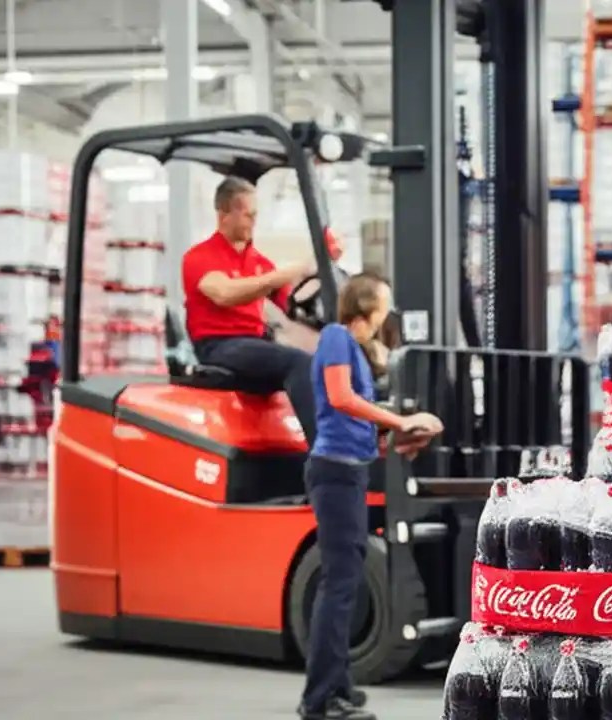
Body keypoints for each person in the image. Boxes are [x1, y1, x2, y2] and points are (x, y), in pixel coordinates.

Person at [298, 272, 443, 720]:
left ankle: (338, 684)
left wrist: (398, 437)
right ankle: (320, 698)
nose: (389, 307)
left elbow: (353, 418)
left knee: (346, 580)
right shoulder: (336, 338)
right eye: (385, 299)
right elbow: (340, 399)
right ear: (369, 304)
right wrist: (399, 422)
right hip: (335, 472)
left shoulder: (356, 350)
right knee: (339, 585)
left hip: (350, 470)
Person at [182, 176, 318, 443]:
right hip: (219, 347)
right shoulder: (199, 258)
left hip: (254, 344)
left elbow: (293, 305)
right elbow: (225, 293)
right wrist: (284, 274)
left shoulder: (260, 262)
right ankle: (326, 456)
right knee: (298, 362)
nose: (254, 222)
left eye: (256, 215)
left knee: (324, 361)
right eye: (248, 215)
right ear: (224, 215)